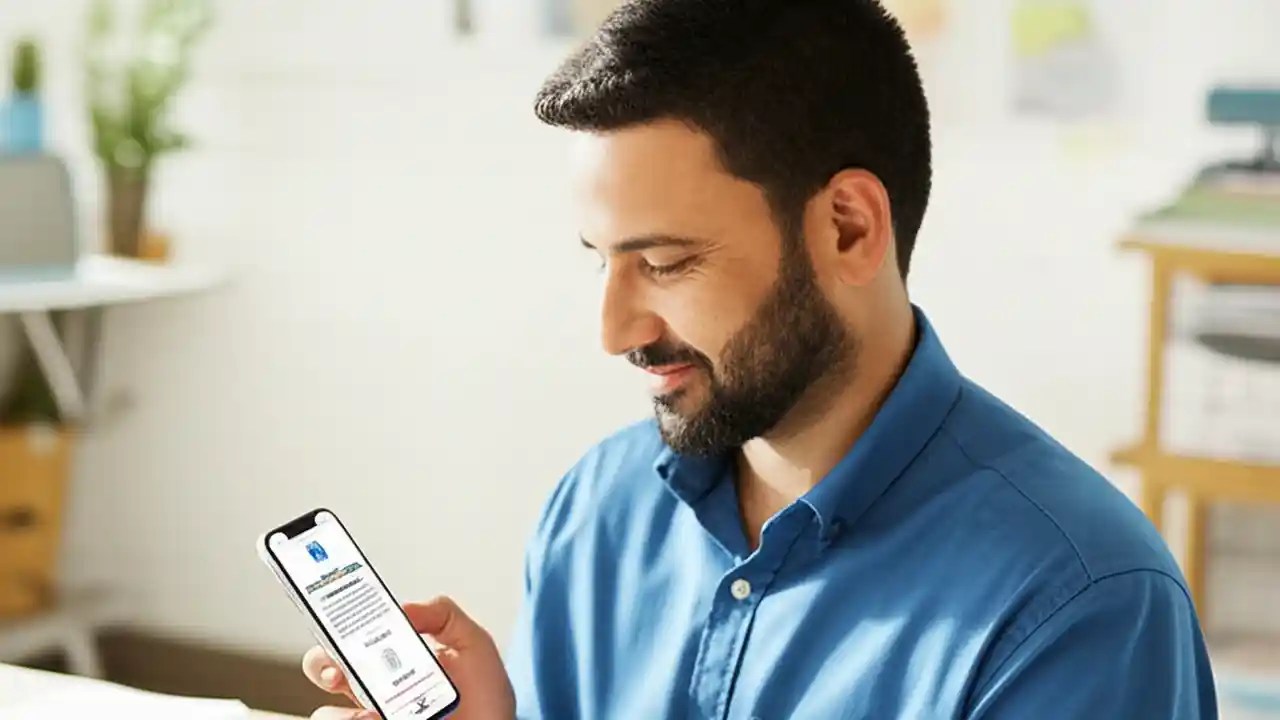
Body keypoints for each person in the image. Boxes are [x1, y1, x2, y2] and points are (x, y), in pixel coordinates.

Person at [303, 0, 1218, 717]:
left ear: (848, 228)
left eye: (665, 263)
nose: (615, 329)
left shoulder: (1079, 603)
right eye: (601, 261)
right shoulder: (596, 512)